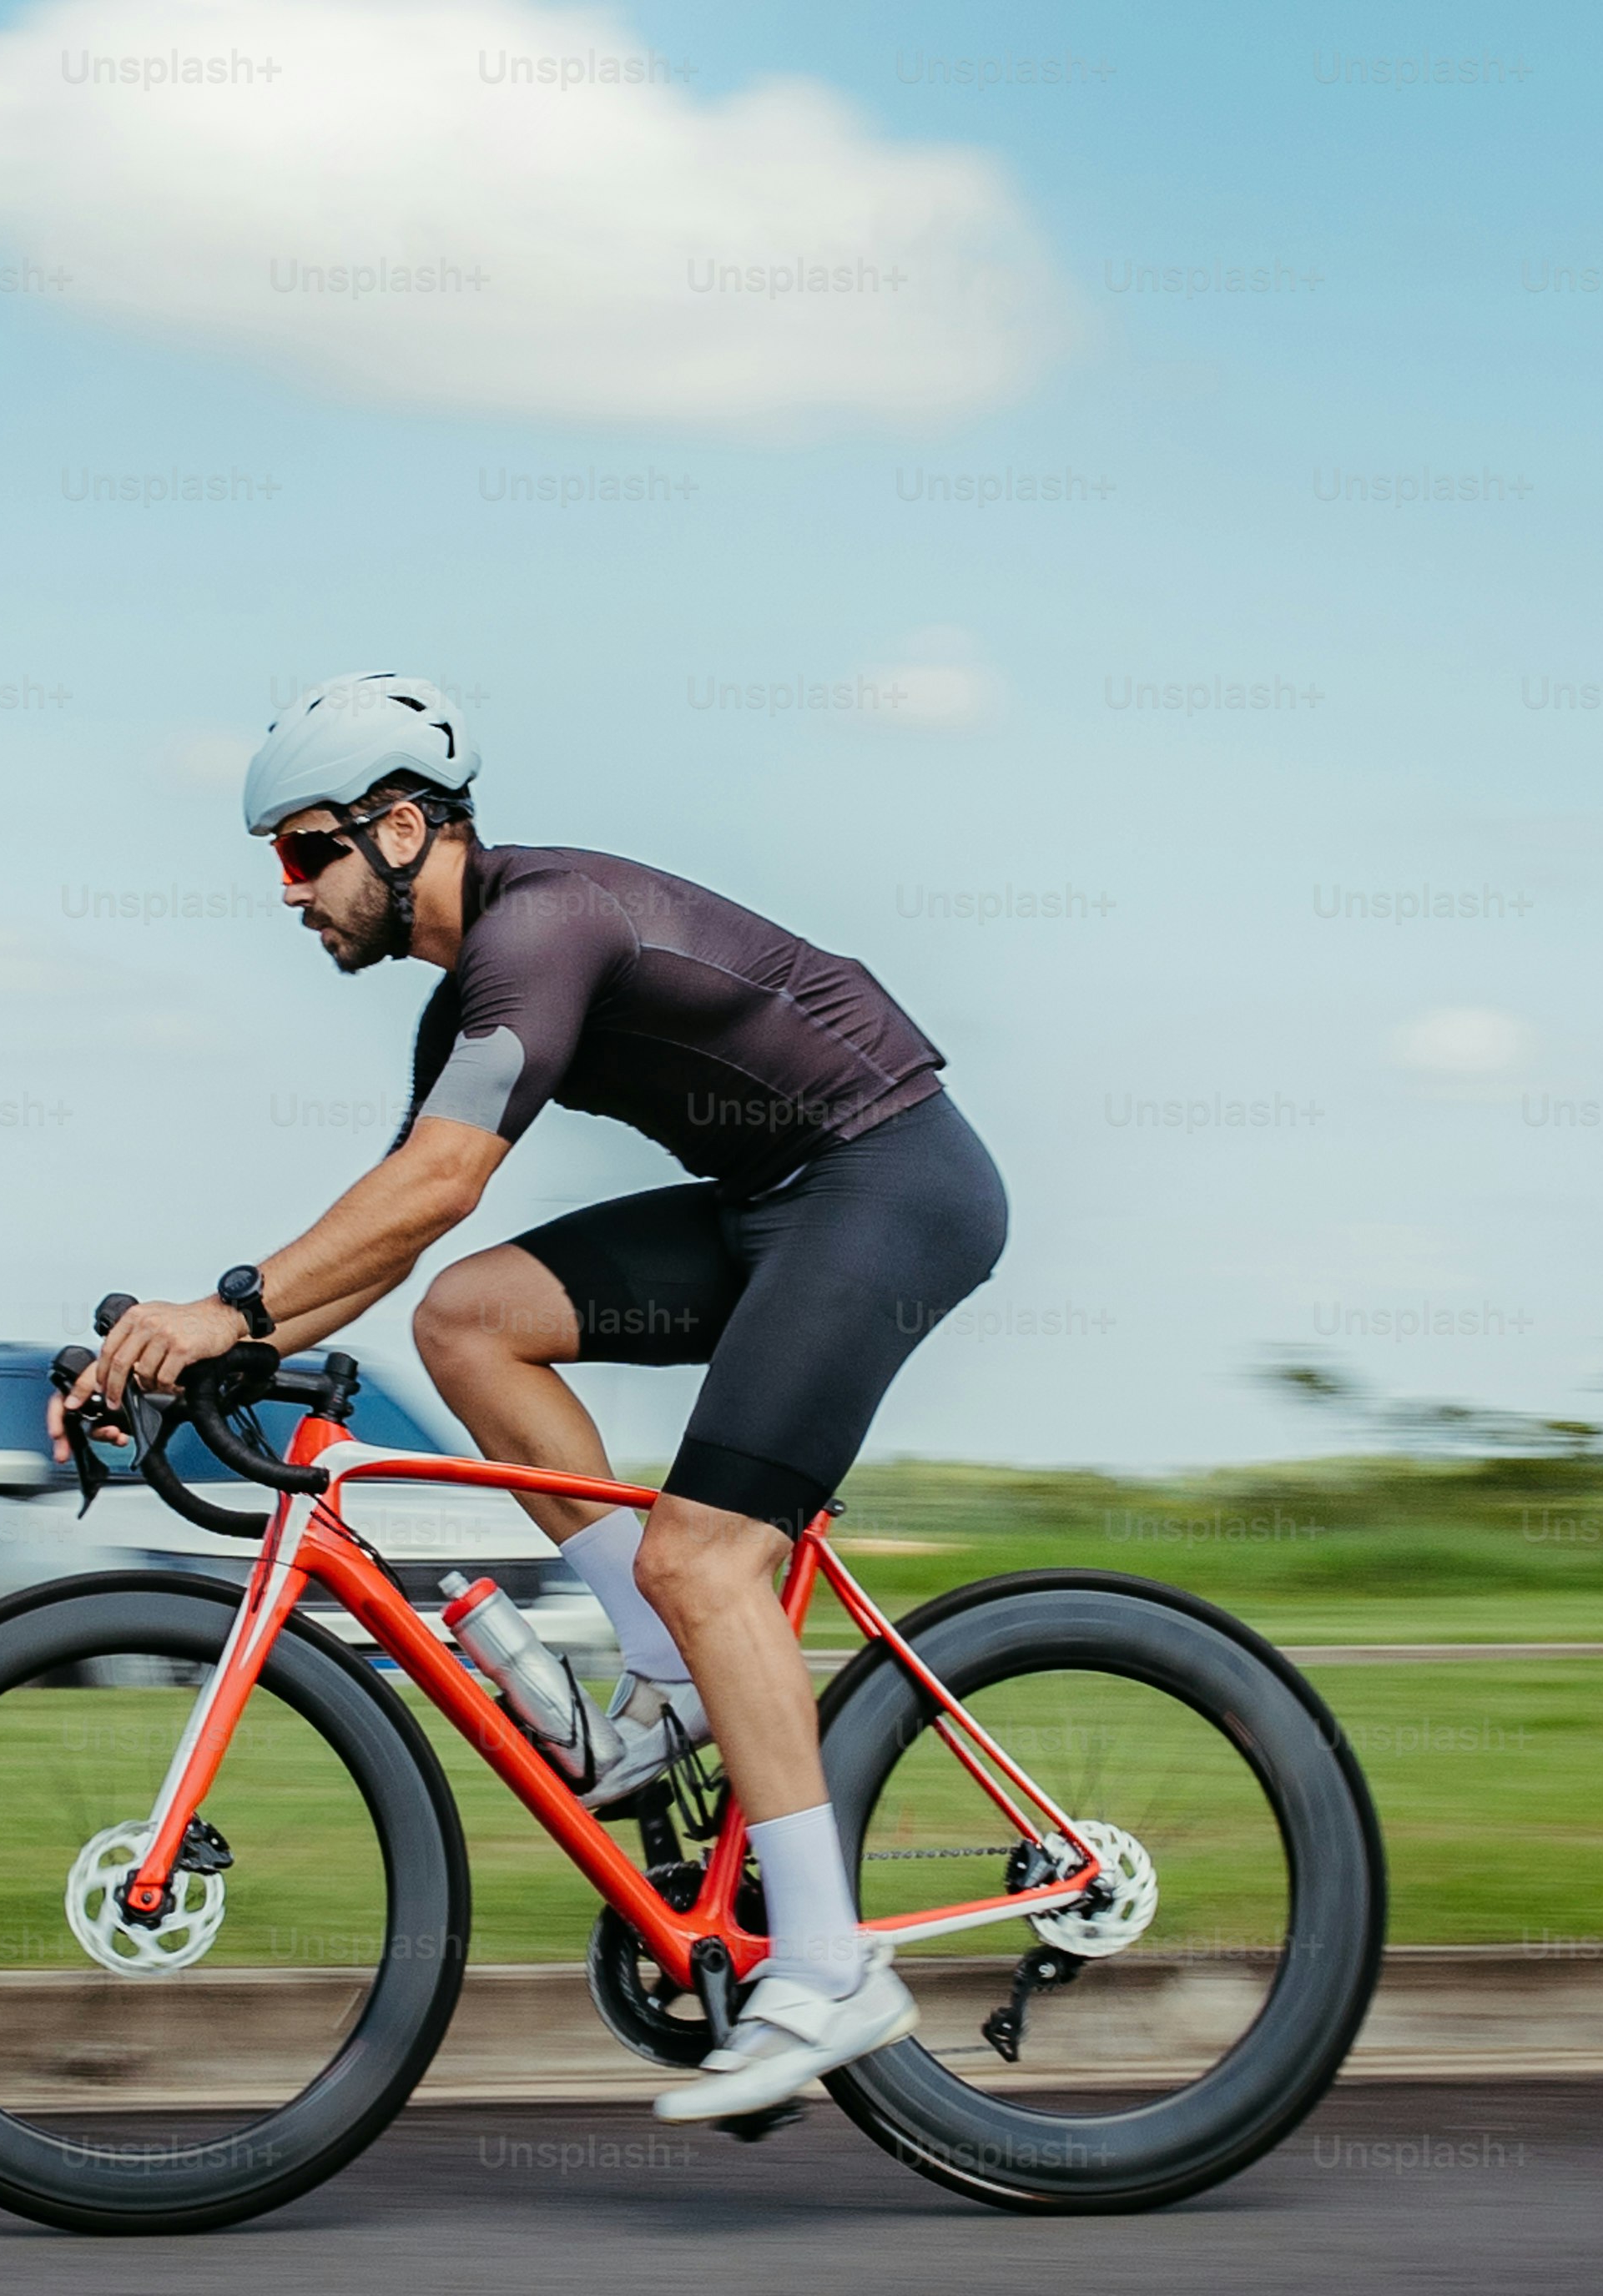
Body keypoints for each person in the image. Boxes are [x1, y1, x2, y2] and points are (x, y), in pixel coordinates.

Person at [69, 672, 1009, 2122]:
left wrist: (226, 1307)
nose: (289, 889)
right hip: (776, 1199)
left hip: (891, 1179)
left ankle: (829, 1966)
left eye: (302, 851)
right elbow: (395, 1245)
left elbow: (440, 1180)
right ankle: (670, 1679)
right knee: (473, 1317)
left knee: (707, 1552)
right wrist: (202, 1349)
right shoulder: (467, 1001)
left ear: (399, 828)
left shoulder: (543, 927)